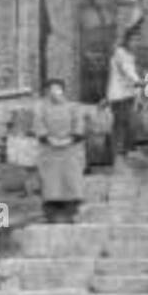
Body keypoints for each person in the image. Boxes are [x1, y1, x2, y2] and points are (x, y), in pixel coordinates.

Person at [32, 79, 85, 223]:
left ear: (63, 90)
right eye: (51, 90)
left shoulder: (73, 107)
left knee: (71, 177)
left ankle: (72, 206)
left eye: (57, 89)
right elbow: (38, 124)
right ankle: (52, 207)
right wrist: (49, 139)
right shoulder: (41, 108)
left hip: (70, 149)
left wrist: (71, 139)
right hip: (50, 149)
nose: (54, 92)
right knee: (51, 180)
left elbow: (79, 124)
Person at [107, 29, 144, 164]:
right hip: (119, 95)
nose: (136, 43)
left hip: (127, 94)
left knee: (126, 122)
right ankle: (125, 150)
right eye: (133, 40)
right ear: (127, 40)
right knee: (125, 123)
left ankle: (124, 150)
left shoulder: (129, 54)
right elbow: (127, 70)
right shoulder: (120, 53)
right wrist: (138, 81)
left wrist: (138, 89)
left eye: (138, 40)